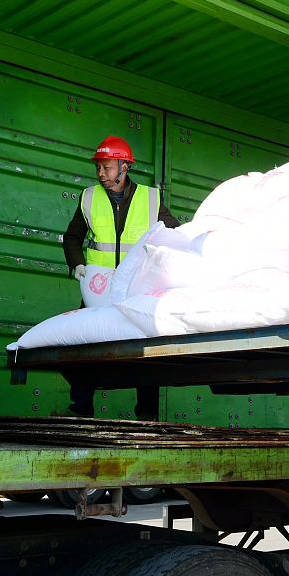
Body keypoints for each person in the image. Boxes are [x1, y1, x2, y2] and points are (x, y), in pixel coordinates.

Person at [61, 135, 179, 420]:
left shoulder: (151, 199)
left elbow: (174, 233)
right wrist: (77, 265)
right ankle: (81, 408)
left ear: (125, 167)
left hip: (136, 286)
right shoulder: (89, 197)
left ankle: (147, 415)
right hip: (99, 287)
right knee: (81, 345)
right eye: (99, 167)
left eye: (107, 167)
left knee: (144, 348)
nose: (101, 173)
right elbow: (72, 238)